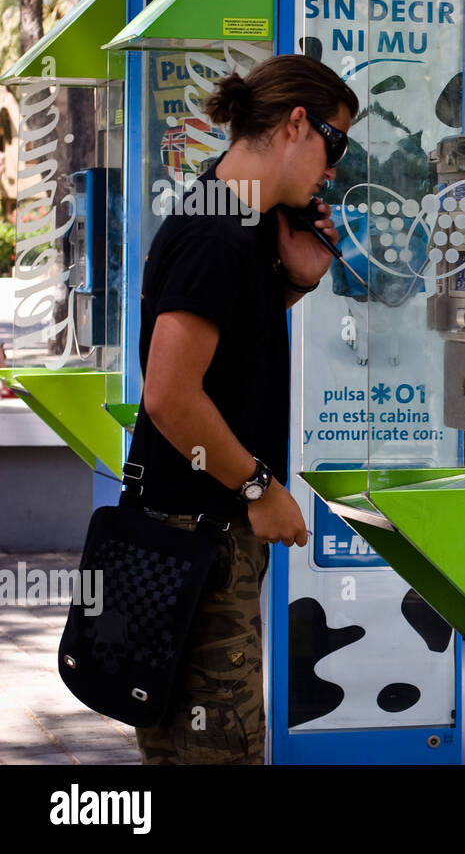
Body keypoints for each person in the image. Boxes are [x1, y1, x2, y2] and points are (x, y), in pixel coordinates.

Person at [124, 54, 358, 763]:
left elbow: (228, 356)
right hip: (200, 536)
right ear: (294, 124)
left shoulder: (235, 217)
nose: (332, 170)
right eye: (335, 143)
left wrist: (295, 280)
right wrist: (259, 488)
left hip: (197, 533)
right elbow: (169, 393)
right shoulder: (217, 234)